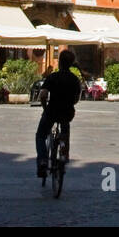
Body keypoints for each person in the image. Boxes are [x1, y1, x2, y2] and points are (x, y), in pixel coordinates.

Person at [35, 50, 81, 185]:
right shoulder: (74, 79)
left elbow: (43, 95)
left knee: (40, 136)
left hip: (52, 111)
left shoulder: (52, 77)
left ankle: (43, 160)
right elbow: (76, 98)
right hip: (67, 113)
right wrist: (69, 104)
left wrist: (45, 107)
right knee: (65, 132)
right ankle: (64, 155)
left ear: (59, 62)